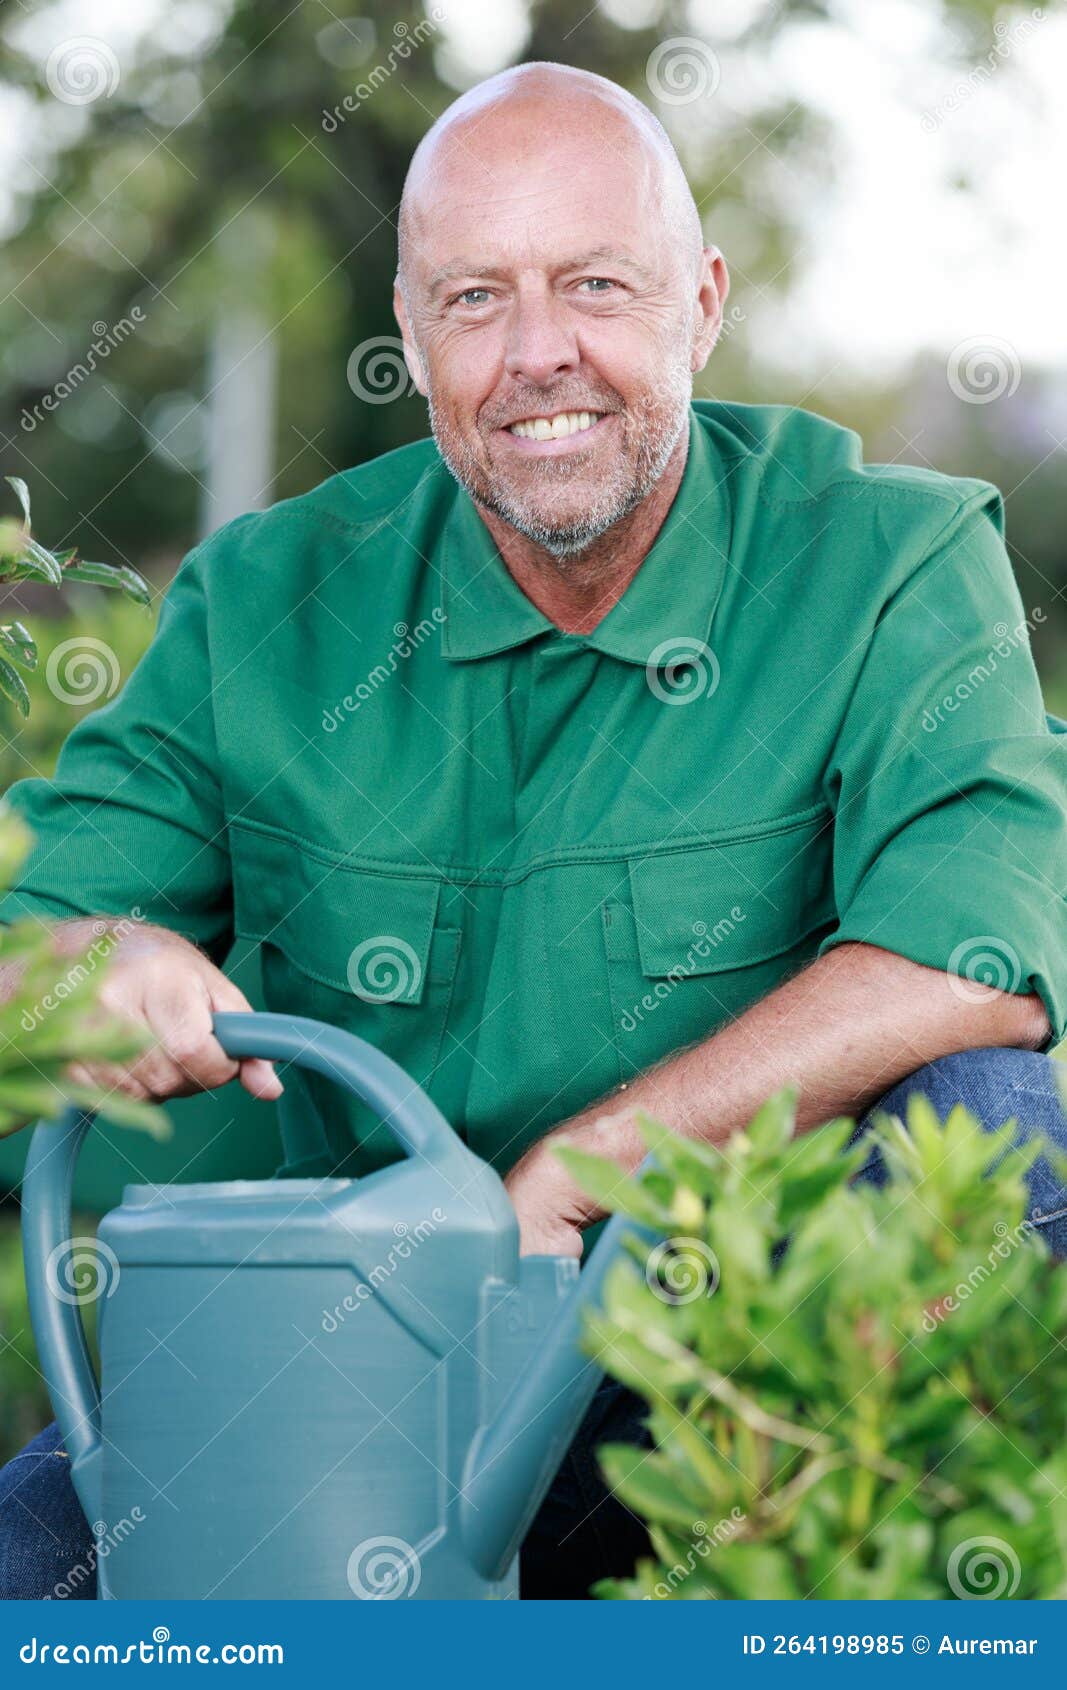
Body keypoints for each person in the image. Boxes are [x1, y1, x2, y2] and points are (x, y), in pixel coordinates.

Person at [3, 62, 1067, 1602]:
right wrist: (87, 962)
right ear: (415, 337)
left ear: (701, 304)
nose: (537, 353)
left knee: (1000, 1125)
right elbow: (30, 934)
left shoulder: (891, 557)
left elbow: (978, 960)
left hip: (750, 1385)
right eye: (475, 297)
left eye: (595, 284)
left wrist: (577, 1171)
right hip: (359, 1386)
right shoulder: (268, 601)